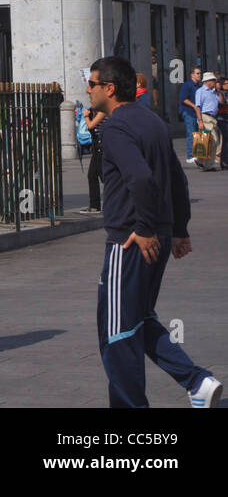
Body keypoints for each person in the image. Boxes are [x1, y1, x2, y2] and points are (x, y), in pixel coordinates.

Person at [85, 55, 220, 408]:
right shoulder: (153, 121)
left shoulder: (115, 127)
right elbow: (176, 178)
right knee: (139, 320)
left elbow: (141, 178)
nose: (88, 89)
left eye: (92, 83)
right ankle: (197, 382)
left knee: (117, 331)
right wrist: (177, 229)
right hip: (155, 235)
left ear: (109, 89)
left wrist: (144, 228)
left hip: (130, 239)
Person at [193, 73, 223, 172]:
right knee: (212, 140)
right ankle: (205, 163)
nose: (215, 82)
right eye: (213, 80)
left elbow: (221, 102)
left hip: (213, 118)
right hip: (205, 117)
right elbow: (197, 107)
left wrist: (219, 92)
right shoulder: (200, 91)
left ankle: (202, 161)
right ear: (208, 81)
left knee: (208, 141)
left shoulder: (214, 92)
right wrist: (200, 121)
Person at [84, 96, 106, 213]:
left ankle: (99, 205)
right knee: (93, 175)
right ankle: (95, 205)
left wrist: (86, 116)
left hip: (102, 148)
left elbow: (91, 126)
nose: (91, 101)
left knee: (103, 177)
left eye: (92, 100)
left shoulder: (103, 111)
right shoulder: (96, 111)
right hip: (97, 148)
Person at [179, 65, 204, 163]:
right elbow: (183, 99)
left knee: (197, 133)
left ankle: (197, 154)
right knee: (191, 133)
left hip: (197, 112)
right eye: (197, 73)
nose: (199, 75)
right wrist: (194, 106)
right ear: (192, 75)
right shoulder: (187, 85)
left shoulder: (199, 86)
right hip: (188, 112)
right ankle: (190, 156)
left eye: (200, 73)